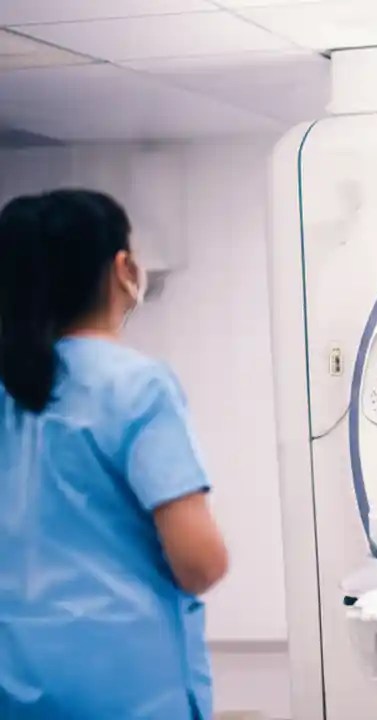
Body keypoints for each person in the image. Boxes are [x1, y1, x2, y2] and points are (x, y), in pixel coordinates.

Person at [0, 189, 229, 720]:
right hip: (129, 689)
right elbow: (199, 563)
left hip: (16, 684)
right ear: (122, 267)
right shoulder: (135, 386)